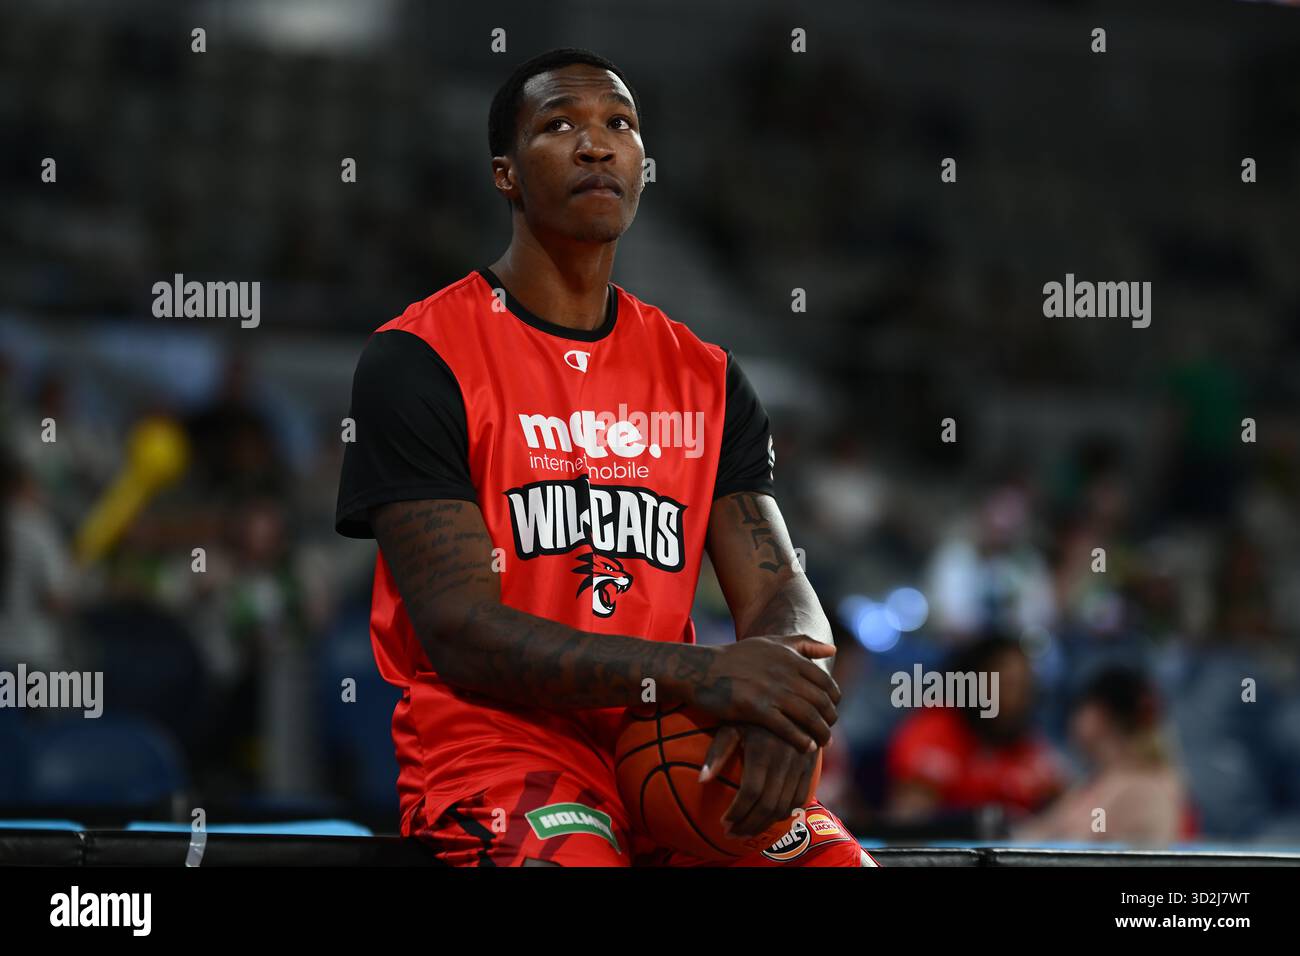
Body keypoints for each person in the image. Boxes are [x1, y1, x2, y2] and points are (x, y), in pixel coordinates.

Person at [335, 48, 876, 867]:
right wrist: (700, 673)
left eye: (619, 125)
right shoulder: (420, 357)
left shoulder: (707, 375)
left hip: (668, 742)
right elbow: (460, 631)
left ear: (643, 166)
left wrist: (785, 702)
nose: (597, 145)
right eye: (560, 126)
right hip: (497, 746)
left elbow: (781, 593)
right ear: (506, 176)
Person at [886, 635, 1064, 824]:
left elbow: (1062, 805)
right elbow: (908, 821)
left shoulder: (1029, 743)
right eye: (1007, 685)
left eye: (1025, 688)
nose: (1018, 699)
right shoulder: (933, 729)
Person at [1013, 665, 1196, 846]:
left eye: (1078, 708)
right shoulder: (1103, 780)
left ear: (1096, 716)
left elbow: (1081, 845)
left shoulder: (1142, 784)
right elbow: (1042, 833)